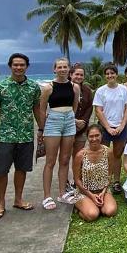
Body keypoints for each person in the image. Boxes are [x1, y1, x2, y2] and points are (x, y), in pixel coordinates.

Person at [0, 53, 43, 220]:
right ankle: (0, 203)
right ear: (10, 66)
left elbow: (37, 109)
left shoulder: (34, 87)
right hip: (5, 136)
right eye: (15, 65)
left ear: (27, 66)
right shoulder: (0, 87)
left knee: (21, 169)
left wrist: (41, 129)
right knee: (1, 171)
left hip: (26, 135)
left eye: (22, 65)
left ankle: (18, 199)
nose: (19, 67)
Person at [38, 57, 81, 210]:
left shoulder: (75, 87)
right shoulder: (48, 88)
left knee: (64, 159)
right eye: (60, 67)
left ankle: (62, 193)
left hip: (69, 120)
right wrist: (41, 129)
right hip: (53, 121)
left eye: (65, 67)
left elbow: (75, 105)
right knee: (50, 161)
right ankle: (47, 196)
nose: (63, 69)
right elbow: (42, 110)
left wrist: (71, 118)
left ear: (69, 69)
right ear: (54, 69)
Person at [93, 64, 127, 192]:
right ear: (105, 76)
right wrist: (108, 127)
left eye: (112, 73)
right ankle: (102, 181)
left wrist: (122, 125)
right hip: (105, 127)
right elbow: (98, 110)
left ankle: (116, 181)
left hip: (121, 126)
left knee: (117, 154)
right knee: (102, 154)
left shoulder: (123, 90)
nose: (110, 76)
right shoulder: (101, 91)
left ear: (116, 74)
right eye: (107, 74)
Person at [69, 125, 118, 222]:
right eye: (91, 136)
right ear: (87, 137)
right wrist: (91, 195)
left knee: (110, 211)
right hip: (85, 192)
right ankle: (80, 207)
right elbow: (77, 180)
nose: (94, 139)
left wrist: (103, 192)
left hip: (103, 190)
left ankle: (96, 204)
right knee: (93, 215)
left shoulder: (108, 152)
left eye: (97, 135)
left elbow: (109, 175)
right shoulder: (80, 155)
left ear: (101, 136)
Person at [63, 63, 94, 203]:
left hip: (82, 128)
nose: (79, 77)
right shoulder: (64, 88)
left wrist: (84, 122)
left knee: (78, 157)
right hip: (66, 126)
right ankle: (64, 183)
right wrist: (73, 120)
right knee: (65, 157)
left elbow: (89, 108)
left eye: (81, 75)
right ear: (71, 75)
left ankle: (77, 181)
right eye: (77, 74)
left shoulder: (87, 90)